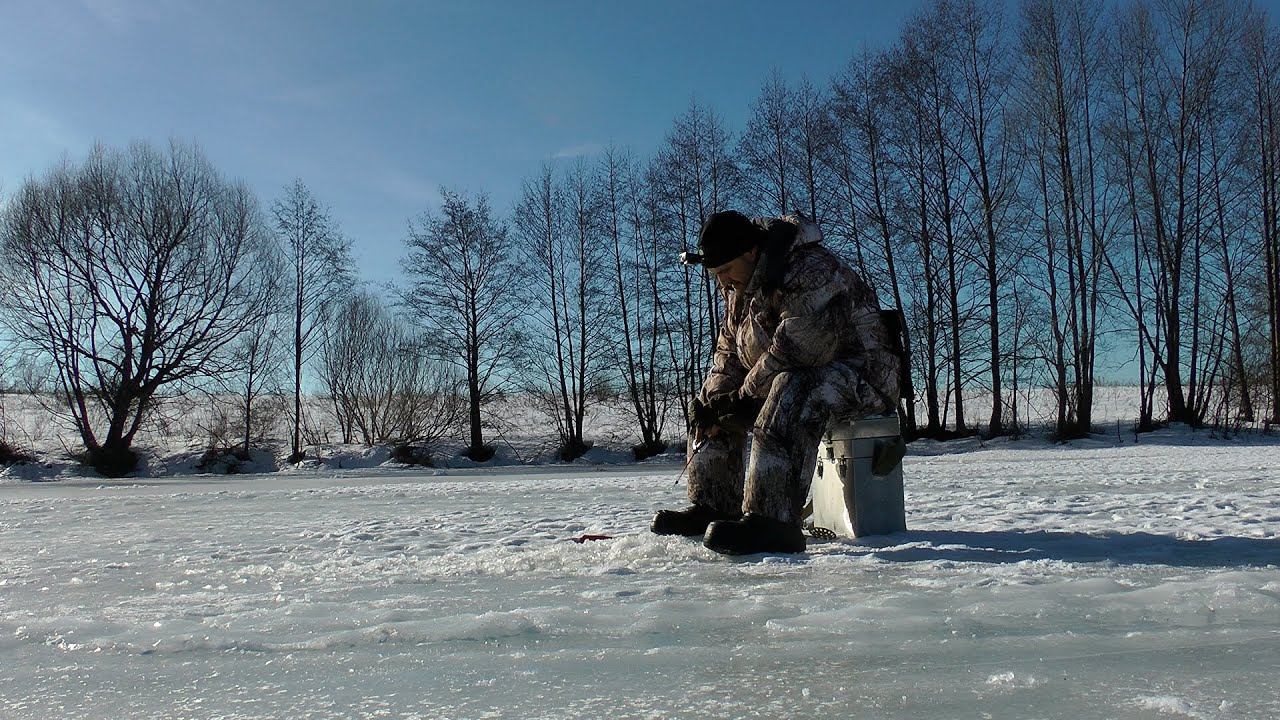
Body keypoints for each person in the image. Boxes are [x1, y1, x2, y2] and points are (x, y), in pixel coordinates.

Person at [652, 210, 900, 554]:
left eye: (725, 271)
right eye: (715, 274)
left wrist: (743, 397)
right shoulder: (741, 289)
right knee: (714, 403)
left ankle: (774, 519)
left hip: (864, 377)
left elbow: (800, 348)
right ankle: (713, 504)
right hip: (794, 374)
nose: (722, 283)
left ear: (750, 252)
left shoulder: (810, 270)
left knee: (793, 389)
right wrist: (717, 402)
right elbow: (729, 351)